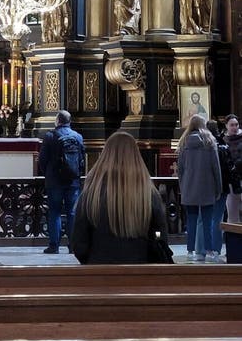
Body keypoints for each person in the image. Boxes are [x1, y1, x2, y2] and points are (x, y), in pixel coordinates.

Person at [71, 131, 167, 264]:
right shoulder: (149, 194)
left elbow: (79, 244)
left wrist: (92, 260)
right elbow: (160, 236)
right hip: (140, 271)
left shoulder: (91, 194)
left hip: (99, 272)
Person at [39, 109, 85, 254]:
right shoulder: (78, 137)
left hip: (54, 181)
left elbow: (42, 159)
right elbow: (82, 158)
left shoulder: (50, 136)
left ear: (58, 121)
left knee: (55, 212)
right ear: (69, 121)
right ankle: (73, 245)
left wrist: (47, 173)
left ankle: (54, 246)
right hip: (73, 181)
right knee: (72, 212)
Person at [177, 114, 222, 262]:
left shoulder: (184, 142)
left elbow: (181, 169)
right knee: (207, 220)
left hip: (189, 186)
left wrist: (182, 187)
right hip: (207, 186)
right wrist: (218, 187)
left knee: (191, 220)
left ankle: (190, 251)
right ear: (203, 125)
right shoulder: (209, 141)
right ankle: (208, 251)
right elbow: (216, 167)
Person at [194, 119, 234, 259]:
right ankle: (215, 250)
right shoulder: (222, 145)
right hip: (221, 186)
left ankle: (200, 250)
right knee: (217, 218)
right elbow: (227, 168)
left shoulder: (200, 145)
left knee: (201, 219)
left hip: (203, 186)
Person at [223, 113, 242, 223]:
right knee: (232, 212)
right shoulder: (224, 140)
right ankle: (233, 238)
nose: (235, 127)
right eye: (232, 125)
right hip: (231, 180)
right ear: (226, 126)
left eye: (236, 124)